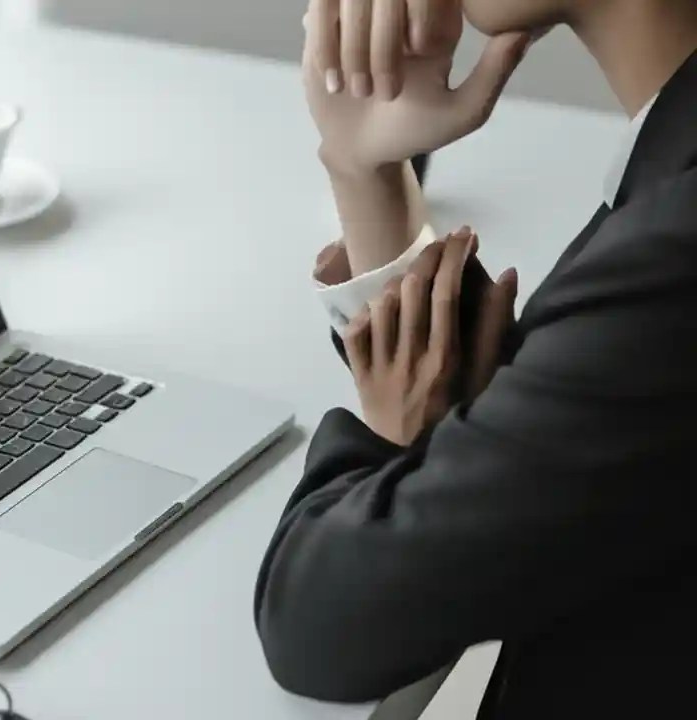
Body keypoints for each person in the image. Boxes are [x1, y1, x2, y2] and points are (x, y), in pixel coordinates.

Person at [253, 0, 697, 717]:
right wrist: (366, 169)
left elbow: (319, 625)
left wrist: (391, 438)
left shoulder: (676, 250)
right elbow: (543, 427)